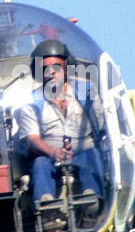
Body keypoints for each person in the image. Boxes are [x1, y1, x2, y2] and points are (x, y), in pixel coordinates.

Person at [15, 39, 104, 215]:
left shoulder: (86, 93)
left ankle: (91, 201)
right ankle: (46, 208)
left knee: (91, 155)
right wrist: (53, 153)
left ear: (66, 68)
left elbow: (103, 128)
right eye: (45, 68)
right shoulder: (32, 102)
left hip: (83, 151)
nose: (51, 72)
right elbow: (32, 140)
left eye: (56, 66)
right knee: (40, 164)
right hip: (49, 156)